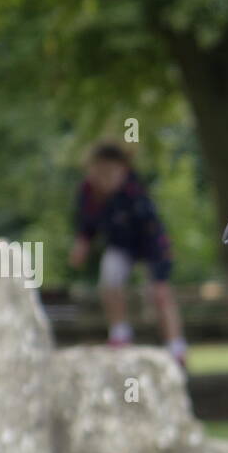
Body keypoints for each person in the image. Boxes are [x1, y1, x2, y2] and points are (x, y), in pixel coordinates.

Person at [68, 142, 188, 365]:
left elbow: (151, 233)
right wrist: (82, 244)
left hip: (150, 244)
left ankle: (176, 346)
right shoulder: (89, 192)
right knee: (109, 278)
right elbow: (86, 225)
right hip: (120, 245)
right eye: (98, 173)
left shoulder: (134, 191)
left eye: (109, 173)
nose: (103, 179)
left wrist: (158, 271)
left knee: (160, 293)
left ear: (122, 170)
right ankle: (120, 334)